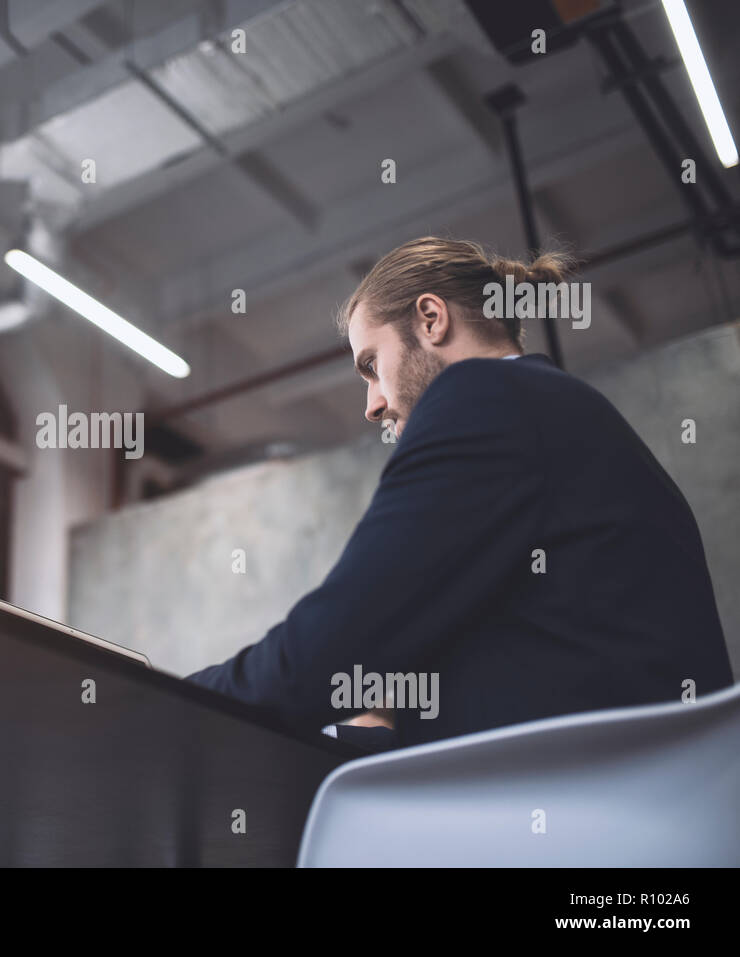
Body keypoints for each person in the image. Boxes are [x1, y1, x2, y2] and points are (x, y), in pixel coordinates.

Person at [185, 237, 733, 752]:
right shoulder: (556, 413)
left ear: (431, 318)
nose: (371, 405)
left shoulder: (485, 398)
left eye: (372, 365)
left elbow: (329, 649)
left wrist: (174, 698)